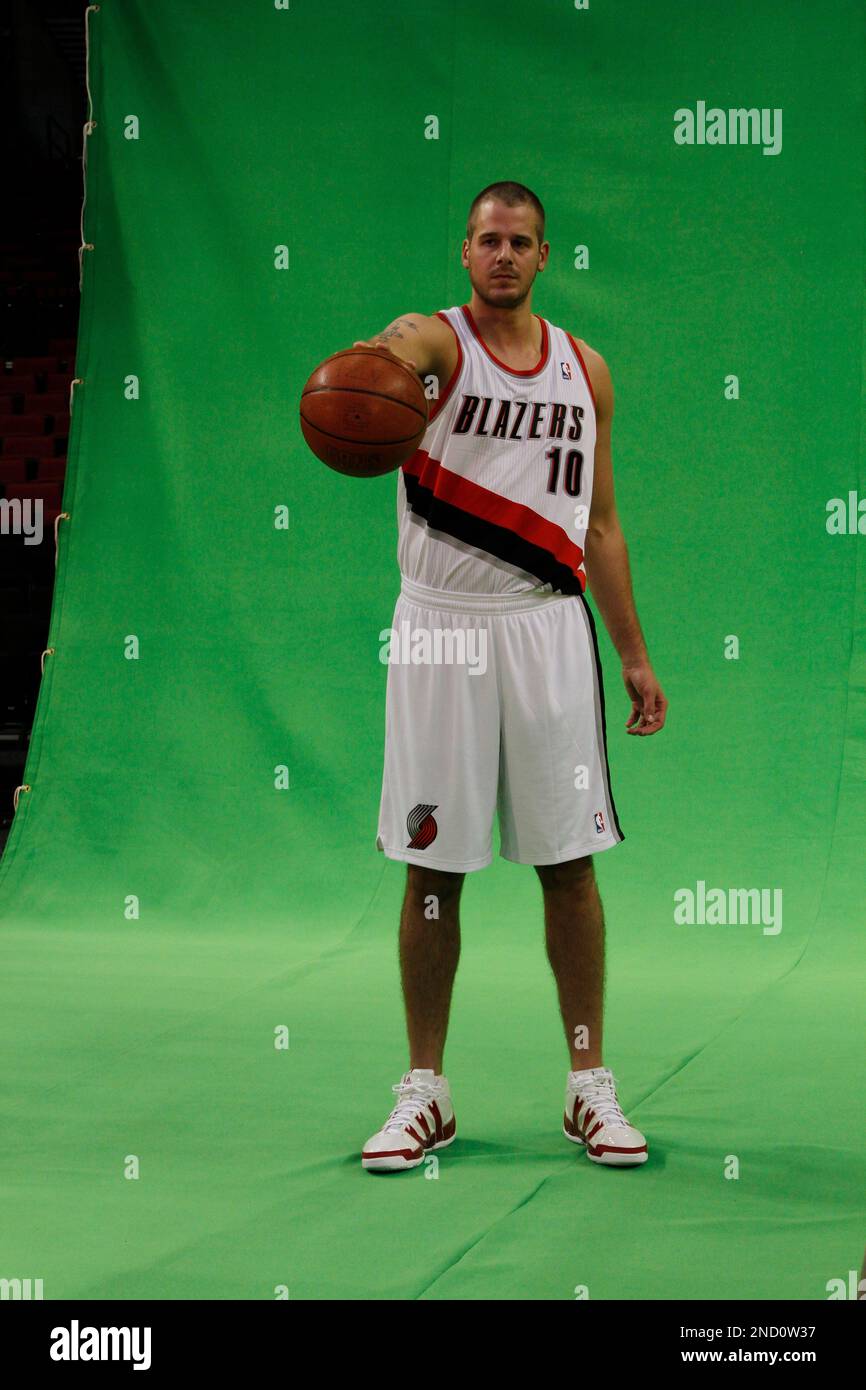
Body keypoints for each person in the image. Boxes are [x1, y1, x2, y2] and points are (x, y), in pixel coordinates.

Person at [351, 180, 667, 1173]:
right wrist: (381, 368)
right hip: (440, 630)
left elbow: (602, 525)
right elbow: (396, 349)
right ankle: (425, 1088)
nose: (501, 254)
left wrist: (631, 653)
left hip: (545, 630)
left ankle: (586, 1083)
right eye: (486, 239)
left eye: (519, 242)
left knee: (568, 861)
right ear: (464, 251)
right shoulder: (436, 346)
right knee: (432, 864)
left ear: (543, 256)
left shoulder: (586, 370)